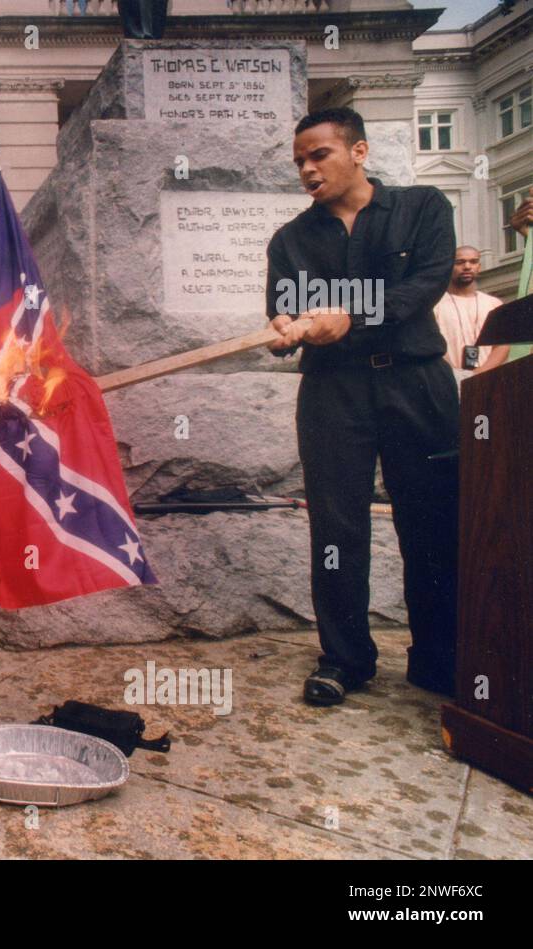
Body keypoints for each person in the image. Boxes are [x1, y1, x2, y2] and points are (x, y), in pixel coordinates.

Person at [265, 107, 459, 706]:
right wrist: (283, 327)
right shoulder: (291, 239)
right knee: (337, 527)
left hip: (417, 381)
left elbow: (424, 285)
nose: (307, 168)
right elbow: (285, 308)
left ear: (359, 151)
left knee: (433, 521)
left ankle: (440, 658)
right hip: (333, 391)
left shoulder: (424, 208)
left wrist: (352, 315)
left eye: (318, 154)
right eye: (299, 160)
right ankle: (344, 660)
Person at [433, 245, 508, 381]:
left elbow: (502, 345)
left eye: (473, 262)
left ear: (479, 267)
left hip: (488, 379)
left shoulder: (493, 303)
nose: (467, 266)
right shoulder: (435, 304)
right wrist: (456, 375)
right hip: (449, 380)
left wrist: (480, 373)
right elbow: (434, 344)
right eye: (460, 262)